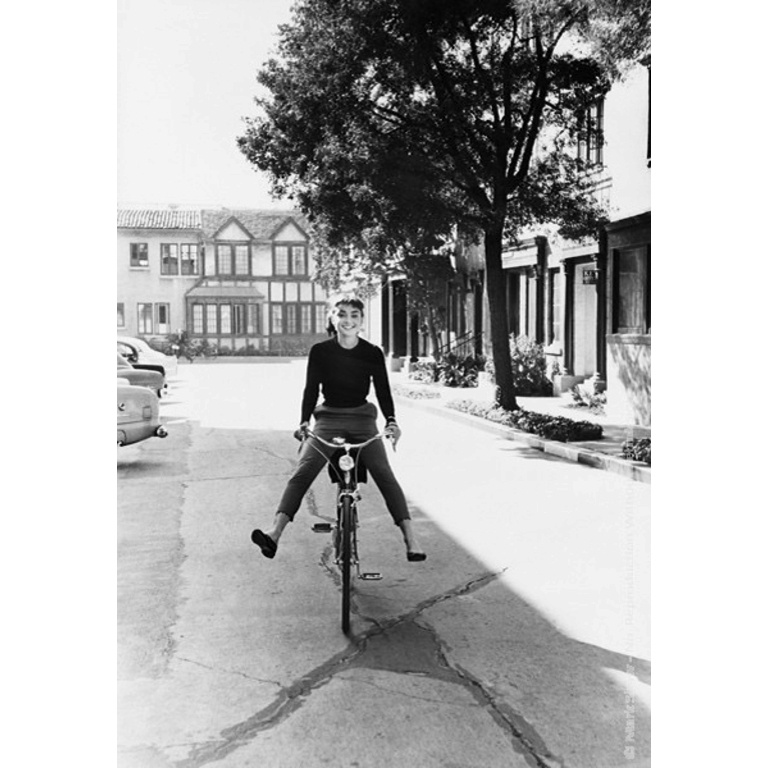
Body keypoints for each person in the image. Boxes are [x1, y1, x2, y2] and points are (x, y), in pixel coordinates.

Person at [251, 298, 427, 562]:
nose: (348, 320)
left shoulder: (372, 353)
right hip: (328, 419)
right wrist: (303, 422)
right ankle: (274, 533)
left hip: (363, 420)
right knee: (302, 472)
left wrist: (391, 421)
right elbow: (311, 389)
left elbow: (383, 391)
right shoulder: (321, 351)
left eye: (354, 315)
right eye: (342, 314)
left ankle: (411, 539)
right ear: (334, 318)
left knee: (384, 473)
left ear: (361, 320)